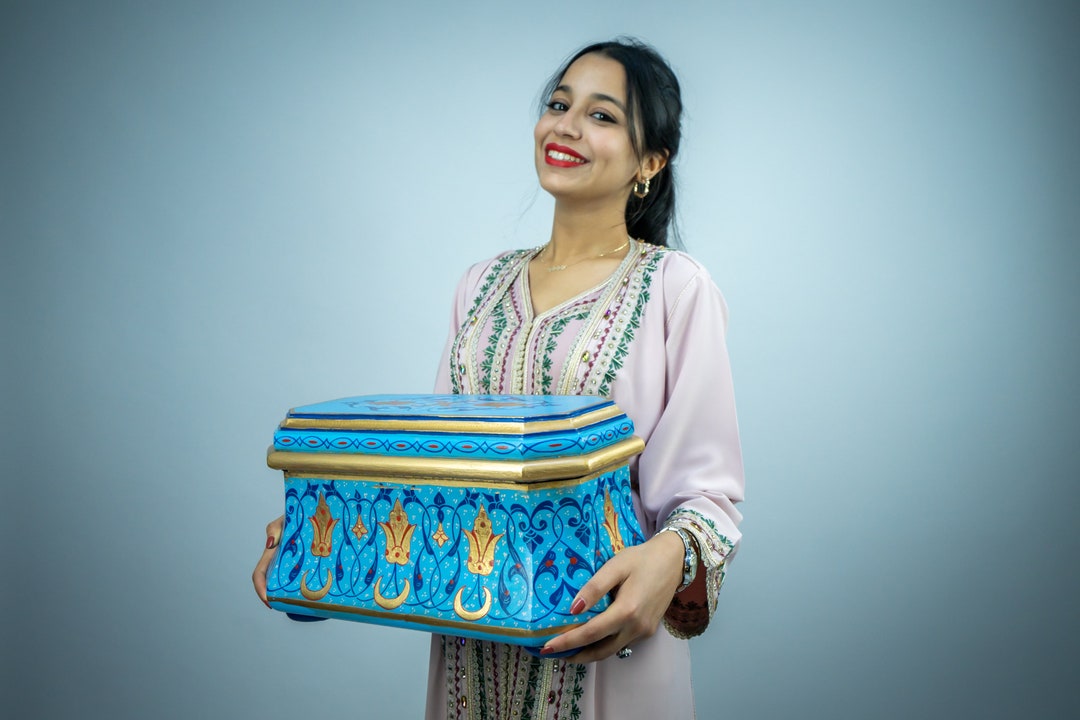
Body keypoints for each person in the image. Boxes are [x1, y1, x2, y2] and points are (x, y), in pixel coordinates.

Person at [254, 38, 744, 720]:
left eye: (602, 116)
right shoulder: (480, 286)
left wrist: (672, 555)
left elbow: (707, 495)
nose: (566, 125)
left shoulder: (674, 288)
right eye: (558, 104)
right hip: (470, 648)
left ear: (651, 160)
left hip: (605, 647)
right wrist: (328, 529)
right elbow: (438, 463)